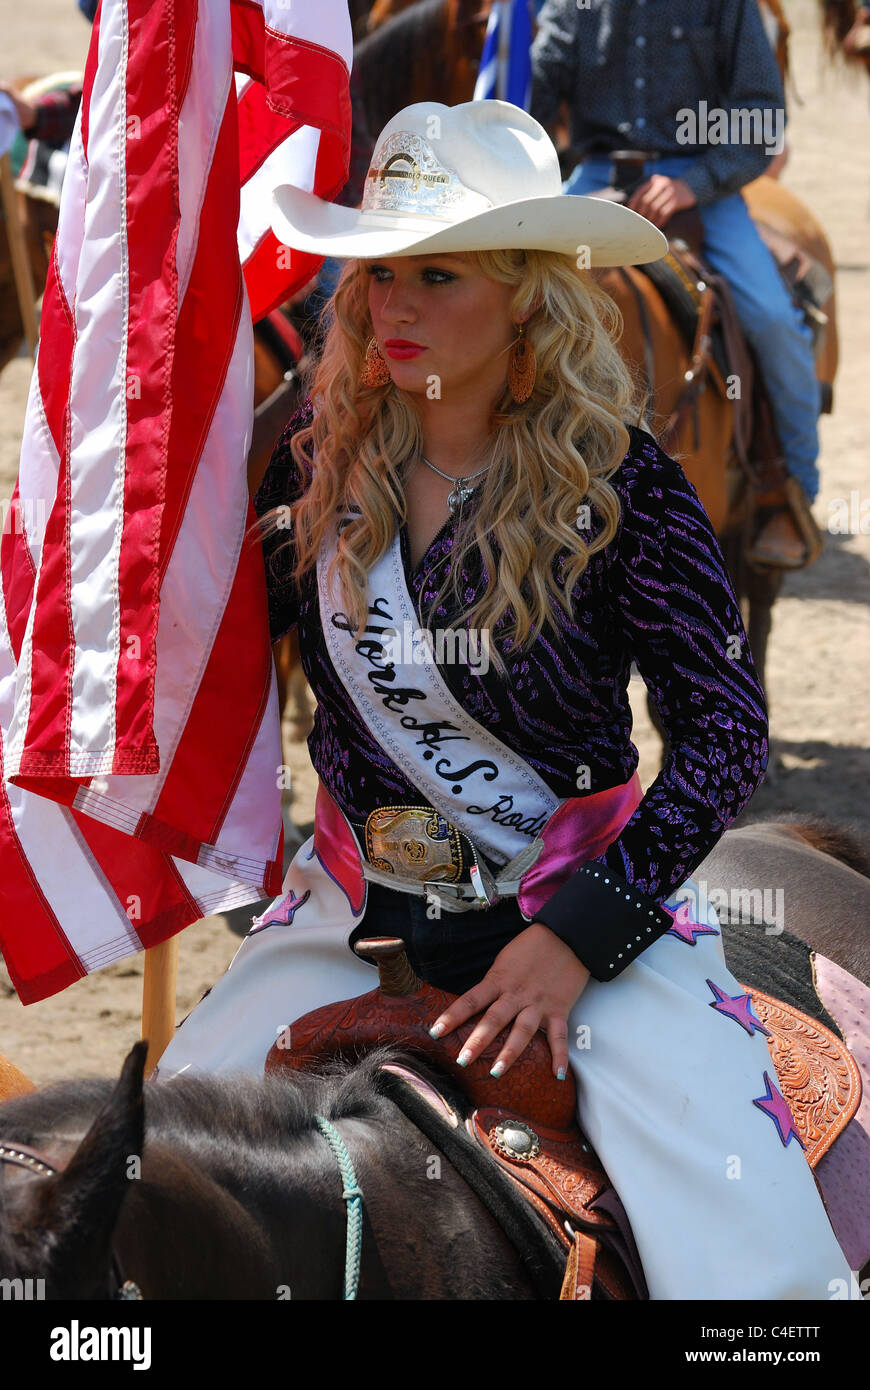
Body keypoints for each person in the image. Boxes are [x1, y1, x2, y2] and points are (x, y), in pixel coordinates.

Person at [156, 99, 852, 1299]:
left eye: (440, 274)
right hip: (351, 918)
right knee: (153, 1169)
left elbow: (728, 735)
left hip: (579, 918)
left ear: (529, 290)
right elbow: (210, 660)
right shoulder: (315, 467)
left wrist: (580, 938)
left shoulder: (623, 490)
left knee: (756, 1259)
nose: (393, 307)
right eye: (377, 274)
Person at [529, 0, 824, 570]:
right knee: (504, 294)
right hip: (596, 177)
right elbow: (536, 99)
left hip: (702, 188)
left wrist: (695, 183)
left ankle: (787, 491)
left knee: (771, 319)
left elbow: (760, 118)